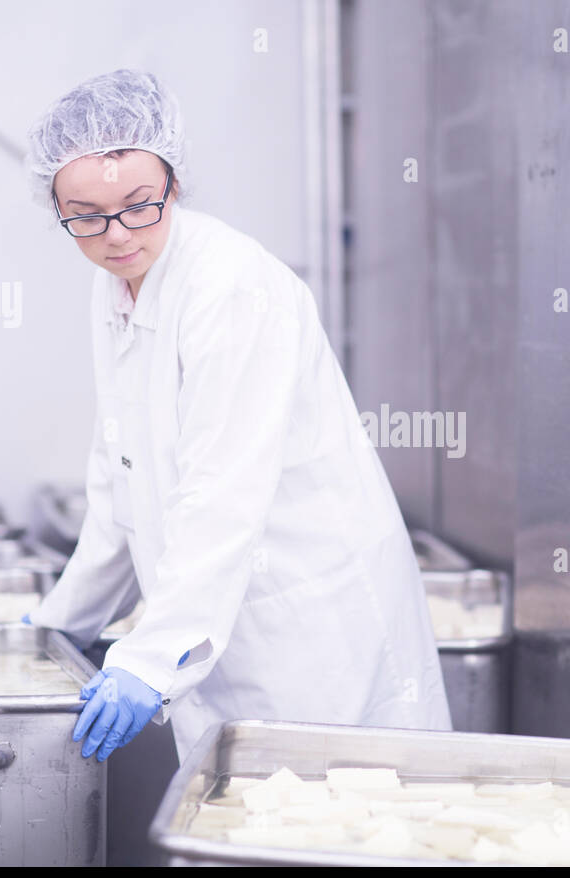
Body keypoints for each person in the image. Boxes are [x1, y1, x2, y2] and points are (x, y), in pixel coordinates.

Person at [23, 68, 453, 764]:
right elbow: (119, 486)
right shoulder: (116, 290)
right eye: (87, 216)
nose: (117, 235)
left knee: (342, 813)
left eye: (139, 205)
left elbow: (224, 490)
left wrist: (151, 656)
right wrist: (59, 624)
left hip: (309, 616)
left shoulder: (230, 287)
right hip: (221, 619)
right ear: (58, 211)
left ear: (175, 184)